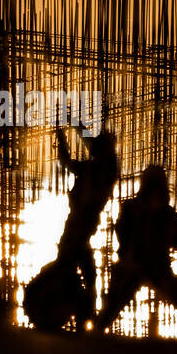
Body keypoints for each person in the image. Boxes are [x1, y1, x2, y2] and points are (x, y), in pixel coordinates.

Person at [94, 165, 177, 339]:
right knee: (117, 299)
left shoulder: (148, 209)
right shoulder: (148, 209)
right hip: (138, 266)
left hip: (151, 267)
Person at [54, 126, 119, 324]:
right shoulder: (104, 167)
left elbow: (70, 159)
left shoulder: (101, 169)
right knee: (83, 270)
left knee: (69, 266)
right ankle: (84, 313)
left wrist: (67, 133)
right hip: (80, 227)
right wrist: (71, 130)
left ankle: (80, 312)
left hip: (77, 227)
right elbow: (74, 157)